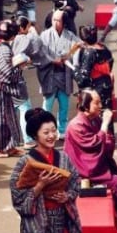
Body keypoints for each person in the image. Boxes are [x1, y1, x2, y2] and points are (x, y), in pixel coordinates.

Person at [64, 89, 117, 231]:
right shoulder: (76, 125)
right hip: (83, 171)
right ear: (85, 105)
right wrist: (105, 124)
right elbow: (93, 145)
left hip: (95, 165)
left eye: (100, 102)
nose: (100, 106)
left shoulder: (94, 119)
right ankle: (115, 217)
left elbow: (105, 142)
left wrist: (106, 134)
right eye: (96, 103)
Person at [37, 10, 80, 138]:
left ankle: (62, 129)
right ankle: (44, 129)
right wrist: (52, 60)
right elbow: (41, 53)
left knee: (64, 106)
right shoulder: (44, 35)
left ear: (64, 22)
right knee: (47, 106)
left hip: (64, 75)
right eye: (54, 20)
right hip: (49, 74)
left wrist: (71, 55)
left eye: (58, 20)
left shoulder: (70, 35)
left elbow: (77, 47)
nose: (55, 23)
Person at [0, 20, 25, 158]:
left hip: (1, 87)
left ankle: (9, 146)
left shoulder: (0, 45)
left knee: (8, 117)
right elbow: (8, 74)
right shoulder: (4, 50)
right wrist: (19, 67)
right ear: (13, 36)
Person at [12, 16, 45, 141]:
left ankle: (12, 140)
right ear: (22, 28)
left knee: (11, 111)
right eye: (28, 26)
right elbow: (37, 47)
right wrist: (33, 32)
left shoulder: (8, 40)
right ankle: (28, 139)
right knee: (25, 108)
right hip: (17, 80)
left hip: (5, 80)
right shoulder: (24, 38)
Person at [73, 26, 115, 110]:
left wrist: (75, 70)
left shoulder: (90, 53)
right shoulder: (104, 48)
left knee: (92, 114)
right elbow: (110, 65)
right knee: (106, 111)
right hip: (107, 84)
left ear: (84, 40)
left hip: (95, 89)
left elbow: (83, 80)